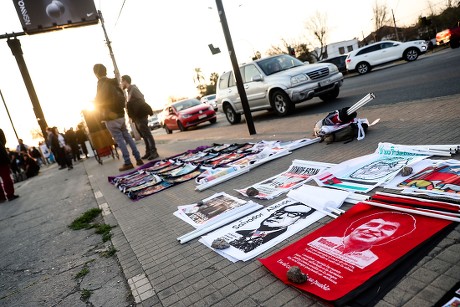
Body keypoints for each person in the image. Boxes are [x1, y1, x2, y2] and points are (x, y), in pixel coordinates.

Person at [307, 211, 416, 268]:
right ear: (356, 226)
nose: (375, 230)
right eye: (373, 224)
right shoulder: (320, 240)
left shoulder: (372, 261)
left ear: (392, 237)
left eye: (388, 228)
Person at [93, 64, 144, 172]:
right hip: (121, 115)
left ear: (96, 73)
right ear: (105, 71)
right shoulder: (114, 82)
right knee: (127, 136)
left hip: (111, 117)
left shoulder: (101, 83)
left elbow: (99, 100)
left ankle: (128, 162)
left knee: (119, 139)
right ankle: (138, 158)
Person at [229, 203, 314, 253]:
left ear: (299, 220)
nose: (280, 217)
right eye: (280, 212)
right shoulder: (240, 232)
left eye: (292, 215)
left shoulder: (279, 239)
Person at [121, 74, 159, 160]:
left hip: (140, 116)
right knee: (144, 135)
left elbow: (141, 99)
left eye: (121, 81)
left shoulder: (133, 89)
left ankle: (154, 152)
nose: (121, 83)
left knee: (147, 134)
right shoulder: (129, 91)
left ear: (125, 81)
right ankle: (148, 151)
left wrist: (137, 111)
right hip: (136, 118)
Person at [0, 128, 19, 202]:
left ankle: (1, 197)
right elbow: (3, 141)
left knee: (6, 177)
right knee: (6, 177)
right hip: (1, 158)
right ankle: (10, 194)